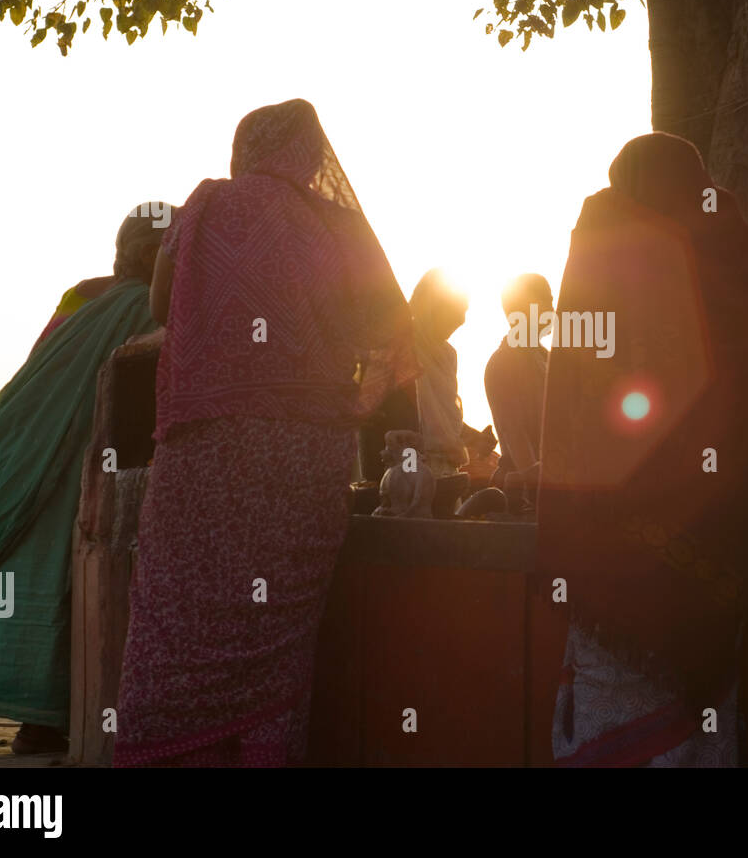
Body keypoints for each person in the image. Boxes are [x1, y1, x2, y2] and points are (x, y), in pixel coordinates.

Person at [113, 99, 417, 767]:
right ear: (311, 157)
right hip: (304, 454)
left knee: (177, 616)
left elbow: (163, 303)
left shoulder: (207, 204)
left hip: (205, 448)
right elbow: (388, 324)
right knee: (278, 636)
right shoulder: (337, 226)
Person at [537, 132, 748, 765]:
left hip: (611, 559)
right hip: (718, 551)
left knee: (618, 725)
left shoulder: (607, 233)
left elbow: (576, 395)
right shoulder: (725, 241)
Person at [0, 207, 168, 753]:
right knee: (58, 584)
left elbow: (40, 363)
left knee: (5, 571)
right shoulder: (152, 306)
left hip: (27, 445)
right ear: (155, 253)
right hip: (69, 459)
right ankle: (28, 717)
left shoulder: (82, 294)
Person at [408, 268, 488, 478]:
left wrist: (476, 438)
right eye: (456, 309)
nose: (461, 319)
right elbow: (411, 419)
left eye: (464, 311)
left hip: (447, 468)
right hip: (412, 466)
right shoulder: (403, 349)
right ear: (432, 307)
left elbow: (444, 419)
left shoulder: (447, 355)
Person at [484, 274, 551, 485]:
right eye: (547, 300)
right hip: (528, 486)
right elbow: (513, 428)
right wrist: (533, 477)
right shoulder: (504, 362)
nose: (553, 308)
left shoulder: (547, 358)